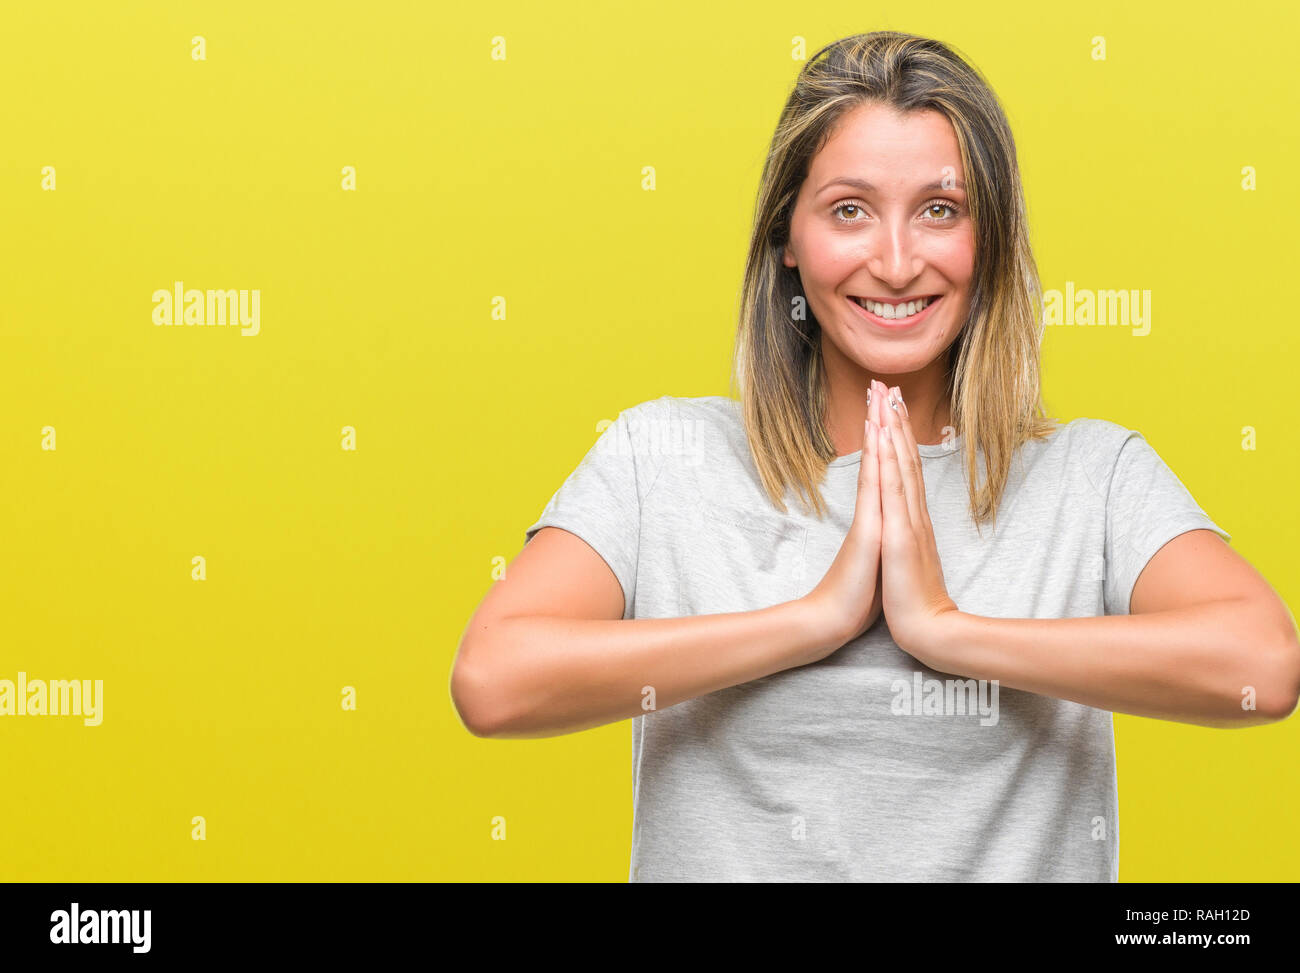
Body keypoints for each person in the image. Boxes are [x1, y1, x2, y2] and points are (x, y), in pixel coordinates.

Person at [449, 31, 1300, 881]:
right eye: (849, 209)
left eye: (941, 209)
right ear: (788, 237)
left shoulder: (1092, 475)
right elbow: (493, 681)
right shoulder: (661, 458)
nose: (896, 264)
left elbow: (1262, 667)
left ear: (990, 239)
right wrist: (816, 619)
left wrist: (947, 630)